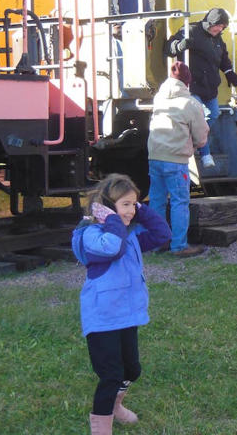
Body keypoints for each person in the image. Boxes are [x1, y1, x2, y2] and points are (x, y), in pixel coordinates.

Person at [71, 173, 171, 434]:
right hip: (102, 318)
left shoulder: (131, 233)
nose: (131, 210)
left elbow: (162, 234)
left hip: (127, 315)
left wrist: (141, 210)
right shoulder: (90, 234)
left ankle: (115, 406)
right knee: (111, 376)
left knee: (132, 369)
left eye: (134, 204)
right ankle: (101, 426)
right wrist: (113, 220)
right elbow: (112, 248)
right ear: (105, 206)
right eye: (126, 204)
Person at [147, 61, 209, 257]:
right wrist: (199, 144)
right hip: (175, 159)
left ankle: (158, 242)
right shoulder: (190, 103)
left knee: (157, 200)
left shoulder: (159, 98)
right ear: (187, 82)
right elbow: (201, 134)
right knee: (179, 202)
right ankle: (179, 245)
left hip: (155, 156)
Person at [168, 8, 237, 168]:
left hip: (210, 88)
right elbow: (168, 48)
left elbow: (223, 59)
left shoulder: (218, 40)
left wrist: (229, 73)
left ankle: (193, 141)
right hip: (192, 86)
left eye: (222, 27)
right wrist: (180, 45)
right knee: (200, 117)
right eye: (218, 26)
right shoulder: (191, 31)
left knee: (213, 114)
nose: (219, 30)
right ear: (210, 23)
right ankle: (206, 154)